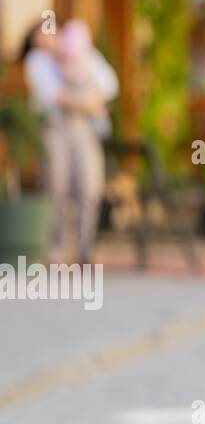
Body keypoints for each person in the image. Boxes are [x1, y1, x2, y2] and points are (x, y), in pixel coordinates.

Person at [20, 17, 120, 265]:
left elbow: (109, 85)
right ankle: (57, 249)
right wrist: (90, 104)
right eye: (38, 38)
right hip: (56, 128)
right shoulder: (38, 62)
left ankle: (85, 249)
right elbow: (52, 95)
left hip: (85, 129)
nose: (45, 40)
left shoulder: (84, 53)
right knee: (56, 185)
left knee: (90, 186)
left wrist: (90, 97)